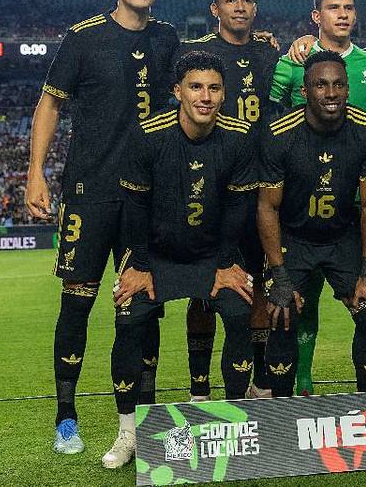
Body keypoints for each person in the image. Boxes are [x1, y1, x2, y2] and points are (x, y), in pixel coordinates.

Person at [24, 0, 179, 455]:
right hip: (90, 194)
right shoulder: (84, 37)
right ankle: (65, 415)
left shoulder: (167, 38)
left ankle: (142, 423)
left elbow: (208, 69)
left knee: (142, 307)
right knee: (78, 304)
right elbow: (50, 103)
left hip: (147, 200)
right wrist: (35, 172)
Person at [101, 51, 257, 469]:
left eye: (213, 88)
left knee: (241, 310)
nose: (204, 97)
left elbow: (238, 209)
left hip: (214, 257)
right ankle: (128, 432)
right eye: (195, 87)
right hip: (156, 257)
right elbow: (133, 207)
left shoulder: (240, 136)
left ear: (224, 93)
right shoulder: (149, 134)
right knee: (129, 317)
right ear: (177, 91)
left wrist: (227, 264)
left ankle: (232, 423)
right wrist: (138, 265)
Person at [268, 0, 366, 395]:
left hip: (345, 229)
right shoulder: (279, 127)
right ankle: (285, 406)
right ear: (304, 90)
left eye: (338, 85)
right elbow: (266, 208)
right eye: (321, 86)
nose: (332, 92)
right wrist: (278, 274)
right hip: (296, 233)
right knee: (285, 311)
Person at [174, 0, 280, 401]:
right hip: (210, 186)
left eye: (247, 0)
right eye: (230, 0)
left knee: (256, 284)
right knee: (202, 292)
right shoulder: (198, 55)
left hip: (261, 189)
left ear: (255, 8)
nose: (240, 6)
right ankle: (200, 389)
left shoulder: (273, 54)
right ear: (215, 8)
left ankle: (257, 381)